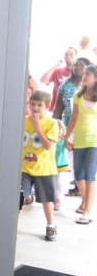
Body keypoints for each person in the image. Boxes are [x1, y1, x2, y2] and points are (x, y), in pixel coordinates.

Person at [21, 91, 59, 241]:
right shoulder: (23, 120)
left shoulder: (51, 123)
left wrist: (38, 127)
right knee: (18, 197)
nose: (35, 108)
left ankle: (51, 225)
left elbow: (48, 145)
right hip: (24, 167)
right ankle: (11, 226)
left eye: (39, 105)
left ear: (46, 107)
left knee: (46, 199)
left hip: (43, 169)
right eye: (33, 104)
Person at [64, 64, 97, 225]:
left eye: (88, 75)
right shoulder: (77, 95)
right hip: (80, 139)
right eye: (84, 74)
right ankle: (86, 202)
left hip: (95, 141)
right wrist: (66, 137)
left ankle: (87, 211)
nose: (84, 77)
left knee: (90, 176)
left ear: (96, 78)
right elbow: (73, 119)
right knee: (78, 175)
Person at [53, 57, 88, 199]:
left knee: (83, 160)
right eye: (75, 66)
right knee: (69, 160)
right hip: (68, 127)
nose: (77, 68)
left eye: (81, 66)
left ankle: (82, 189)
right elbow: (58, 108)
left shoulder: (90, 87)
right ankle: (76, 187)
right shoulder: (65, 86)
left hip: (85, 129)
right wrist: (55, 125)